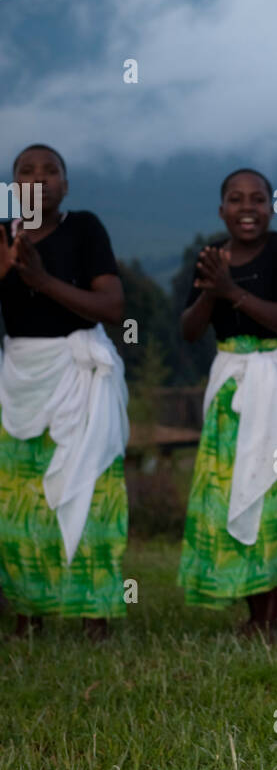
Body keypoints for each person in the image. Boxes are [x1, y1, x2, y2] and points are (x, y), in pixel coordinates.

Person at [178, 168, 277, 639]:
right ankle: (251, 609)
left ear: (270, 206)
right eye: (236, 200)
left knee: (275, 491)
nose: (247, 208)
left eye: (257, 199)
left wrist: (233, 293)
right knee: (235, 488)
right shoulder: (210, 257)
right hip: (232, 388)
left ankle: (271, 618)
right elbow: (190, 330)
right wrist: (210, 292)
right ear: (222, 210)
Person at [0, 144, 128, 640]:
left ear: (66, 184)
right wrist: (11, 266)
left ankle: (95, 614)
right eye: (26, 171)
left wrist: (42, 279)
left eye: (50, 170)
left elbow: (113, 307)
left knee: (91, 492)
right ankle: (27, 613)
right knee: (22, 496)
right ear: (13, 186)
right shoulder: (3, 235)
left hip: (79, 378)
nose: (39, 178)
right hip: (21, 377)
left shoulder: (84, 228)